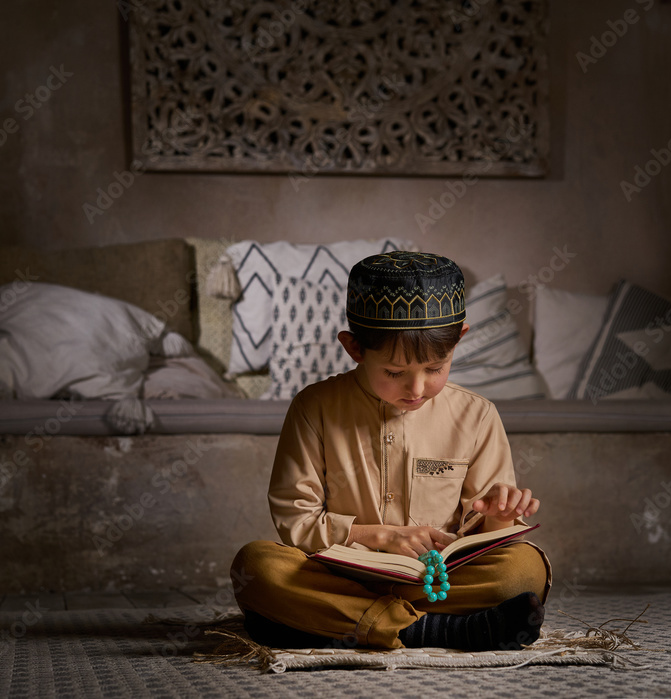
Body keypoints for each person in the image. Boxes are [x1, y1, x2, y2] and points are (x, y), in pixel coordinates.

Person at [231, 251, 550, 650]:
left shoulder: (478, 415)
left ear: (460, 339)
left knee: (524, 569)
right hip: (342, 576)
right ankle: (435, 631)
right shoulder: (314, 407)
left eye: (435, 369)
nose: (416, 389)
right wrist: (381, 536)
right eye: (395, 373)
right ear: (355, 348)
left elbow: (482, 533)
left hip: (437, 582)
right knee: (258, 565)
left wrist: (500, 519)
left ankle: (324, 622)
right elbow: (296, 519)